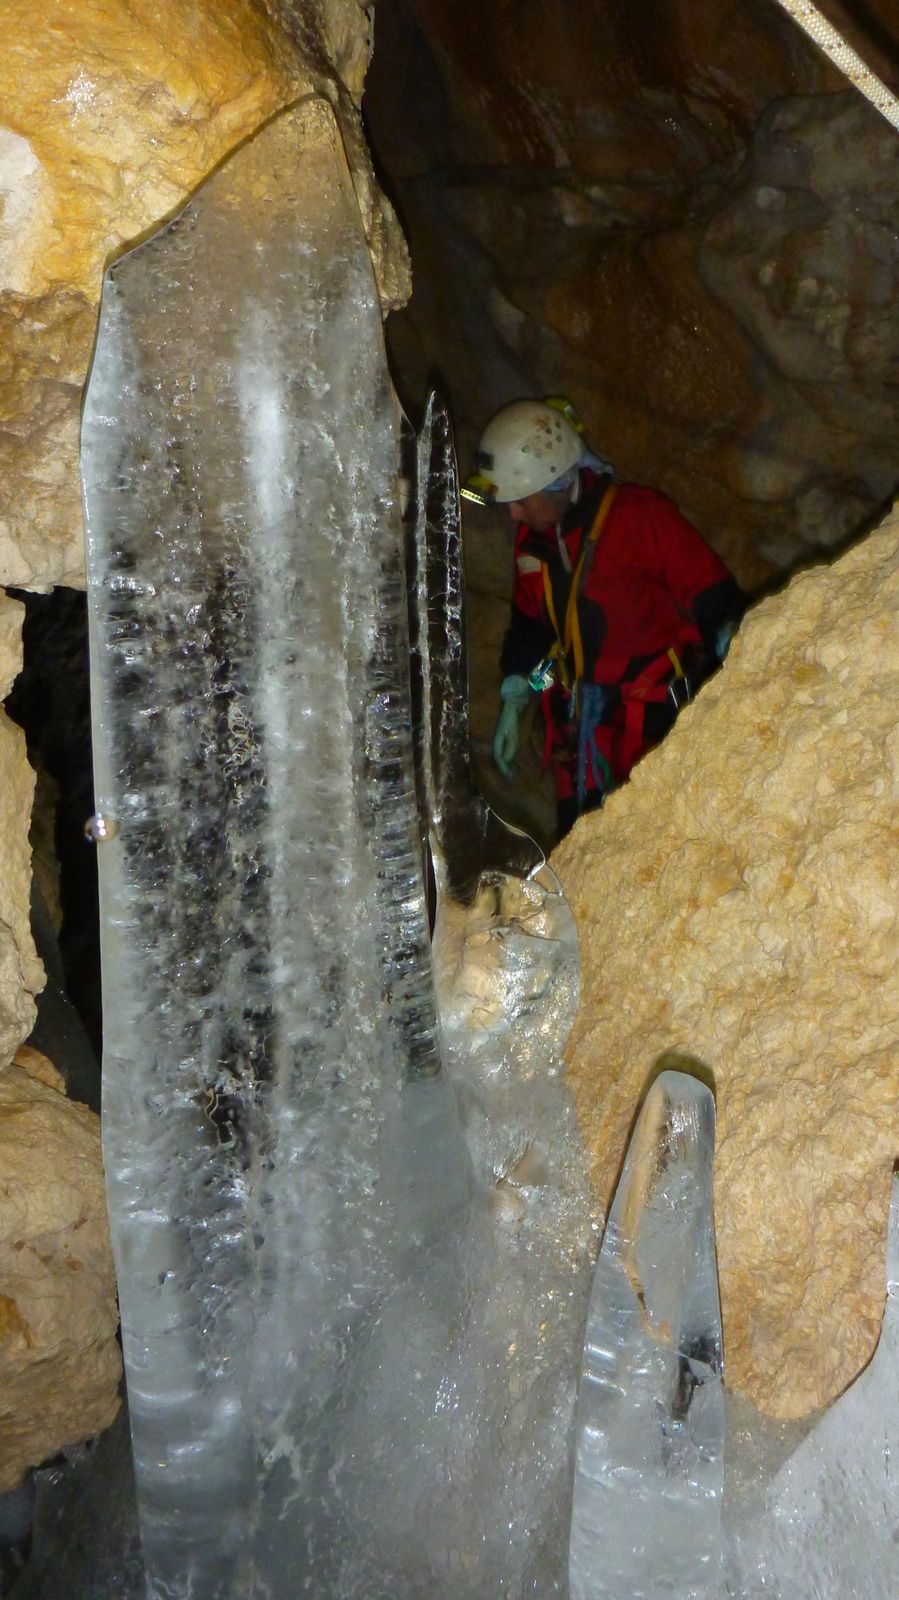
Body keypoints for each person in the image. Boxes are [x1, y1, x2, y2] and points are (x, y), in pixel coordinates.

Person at [464, 398, 745, 836]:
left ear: (556, 483)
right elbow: (530, 622)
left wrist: (731, 639)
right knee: (582, 846)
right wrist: (516, 685)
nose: (512, 514)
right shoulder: (531, 544)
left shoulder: (639, 518)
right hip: (580, 727)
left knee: (654, 841)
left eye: (521, 502)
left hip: (652, 720)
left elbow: (712, 596)